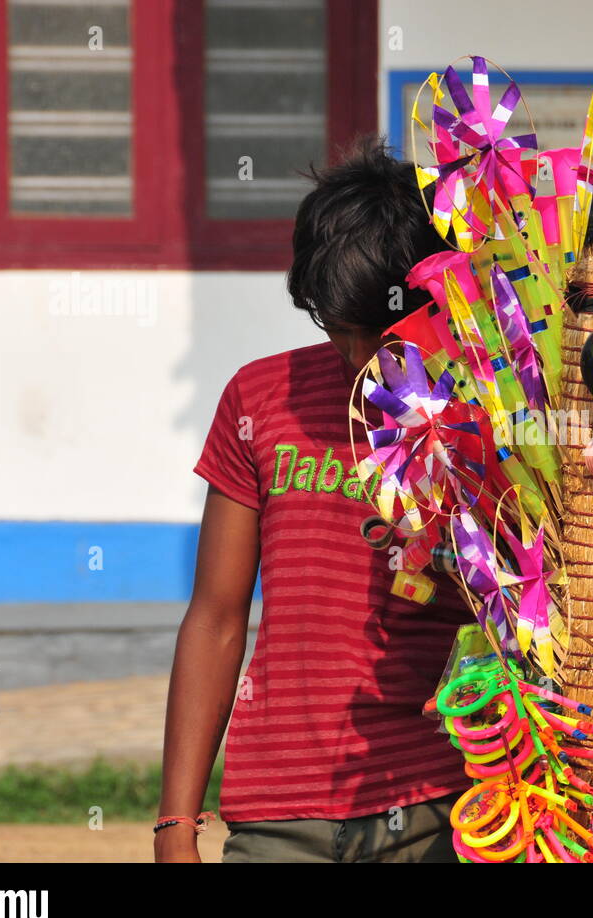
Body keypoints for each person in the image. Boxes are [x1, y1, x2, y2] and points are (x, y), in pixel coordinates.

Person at [155, 137, 471, 863]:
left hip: (436, 810)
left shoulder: (488, 417)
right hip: (276, 813)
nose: (358, 358)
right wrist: (176, 825)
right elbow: (215, 615)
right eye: (337, 331)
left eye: (379, 332)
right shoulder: (262, 399)